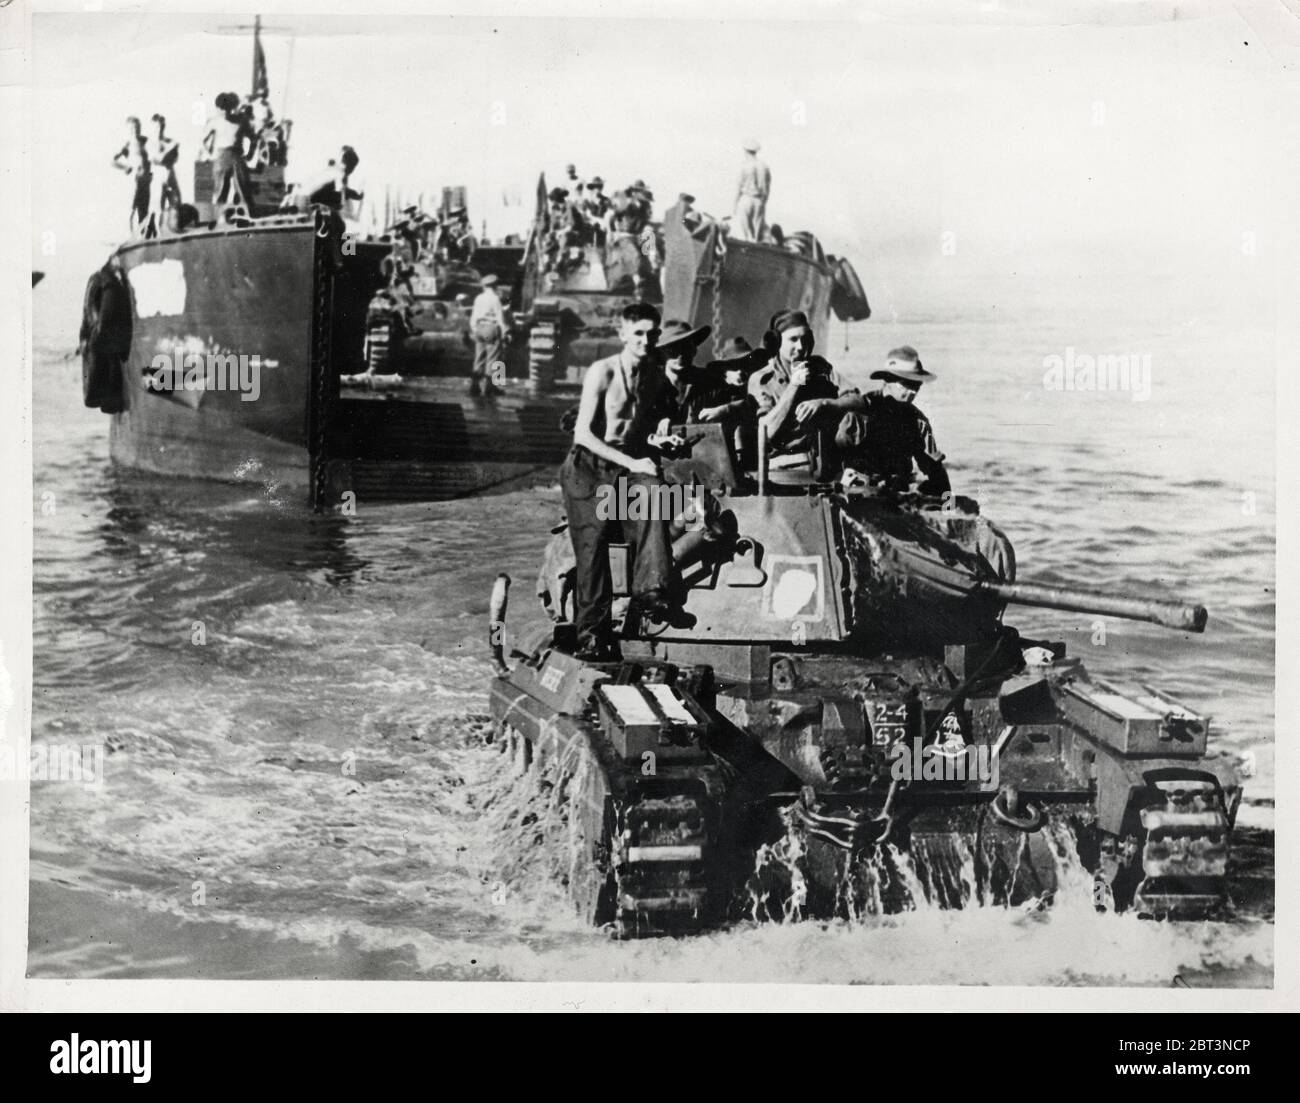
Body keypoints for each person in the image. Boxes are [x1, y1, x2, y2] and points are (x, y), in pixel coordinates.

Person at [561, 302, 680, 660]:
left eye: (653, 334)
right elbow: (582, 433)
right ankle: (591, 634)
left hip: (623, 467)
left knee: (655, 493)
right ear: (623, 333)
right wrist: (633, 461)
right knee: (593, 545)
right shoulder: (603, 371)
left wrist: (661, 439)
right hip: (588, 468)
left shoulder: (656, 377)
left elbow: (646, 428)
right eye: (639, 333)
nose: (647, 340)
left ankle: (650, 592)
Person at [748, 310, 864, 468]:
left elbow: (858, 400)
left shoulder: (820, 367)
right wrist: (794, 385)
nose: (801, 346)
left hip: (825, 461)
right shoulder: (762, 379)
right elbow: (766, 432)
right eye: (793, 339)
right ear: (776, 342)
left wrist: (824, 403)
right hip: (784, 467)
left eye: (804, 339)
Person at [835, 346, 950, 496]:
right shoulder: (858, 415)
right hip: (857, 497)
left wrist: (950, 510)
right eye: (907, 384)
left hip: (898, 496)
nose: (913, 392)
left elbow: (936, 470)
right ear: (888, 380)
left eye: (917, 385)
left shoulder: (918, 422)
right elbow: (833, 463)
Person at [202, 92, 255, 215]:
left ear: (231, 107)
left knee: (243, 187)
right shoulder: (214, 121)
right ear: (217, 109)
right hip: (221, 156)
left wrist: (250, 154)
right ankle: (218, 217)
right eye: (221, 109)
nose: (223, 112)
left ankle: (248, 215)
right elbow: (202, 140)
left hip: (237, 155)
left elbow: (253, 138)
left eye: (226, 109)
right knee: (220, 189)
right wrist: (209, 154)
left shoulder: (241, 120)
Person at [469, 273, 509, 397]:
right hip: (491, 329)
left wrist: (475, 330)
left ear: (484, 286)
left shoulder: (478, 298)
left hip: (479, 329)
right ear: (495, 286)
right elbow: (500, 318)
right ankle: (489, 388)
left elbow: (473, 318)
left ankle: (474, 387)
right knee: (493, 359)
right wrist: (504, 333)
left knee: (479, 357)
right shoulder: (495, 299)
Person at [141, 114, 180, 239]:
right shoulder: (150, 143)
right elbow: (158, 159)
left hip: (170, 174)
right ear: (152, 127)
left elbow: (174, 159)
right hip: (158, 176)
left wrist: (170, 150)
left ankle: (173, 230)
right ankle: (158, 234)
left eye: (162, 126)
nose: (160, 129)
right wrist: (170, 149)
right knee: (158, 207)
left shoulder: (168, 141)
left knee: (176, 202)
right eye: (157, 126)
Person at [111, 117, 151, 233]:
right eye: (132, 128)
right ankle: (130, 236)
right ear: (128, 129)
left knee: (144, 210)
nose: (135, 130)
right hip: (135, 179)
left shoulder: (145, 140)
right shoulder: (127, 144)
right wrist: (125, 167)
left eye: (138, 127)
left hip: (146, 180)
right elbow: (112, 161)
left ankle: (142, 236)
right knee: (131, 210)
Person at [733, 139, 771, 242]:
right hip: (759, 201)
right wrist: (763, 203)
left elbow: (738, 189)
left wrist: (735, 206)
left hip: (746, 199)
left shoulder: (744, 166)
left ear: (745, 151)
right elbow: (767, 189)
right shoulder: (764, 167)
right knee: (756, 236)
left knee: (743, 234)